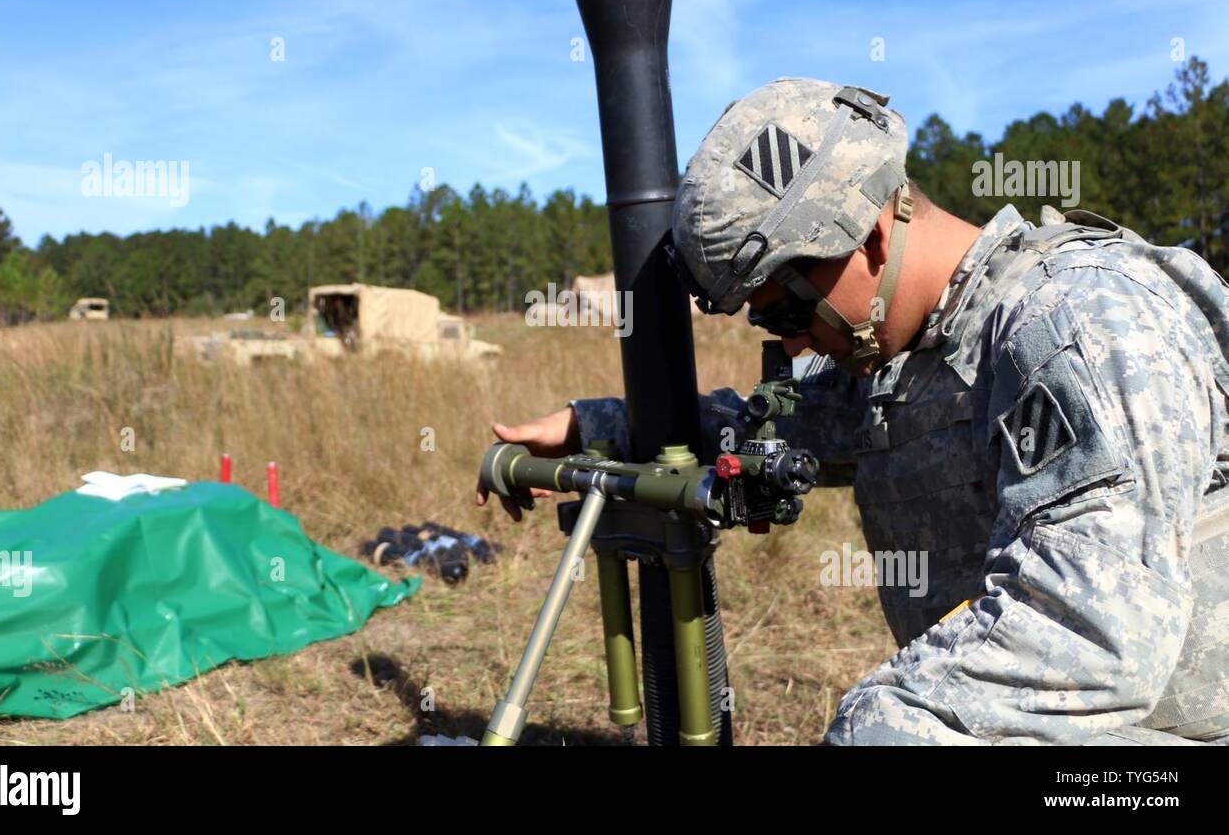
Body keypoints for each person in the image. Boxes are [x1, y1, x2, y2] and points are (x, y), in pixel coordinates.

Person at [476, 77, 1229, 745]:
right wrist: (595, 423)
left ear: (867, 233)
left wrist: (881, 720)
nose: (793, 340)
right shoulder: (916, 352)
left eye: (788, 311)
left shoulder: (1078, 321)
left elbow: (1092, 631)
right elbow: (770, 427)